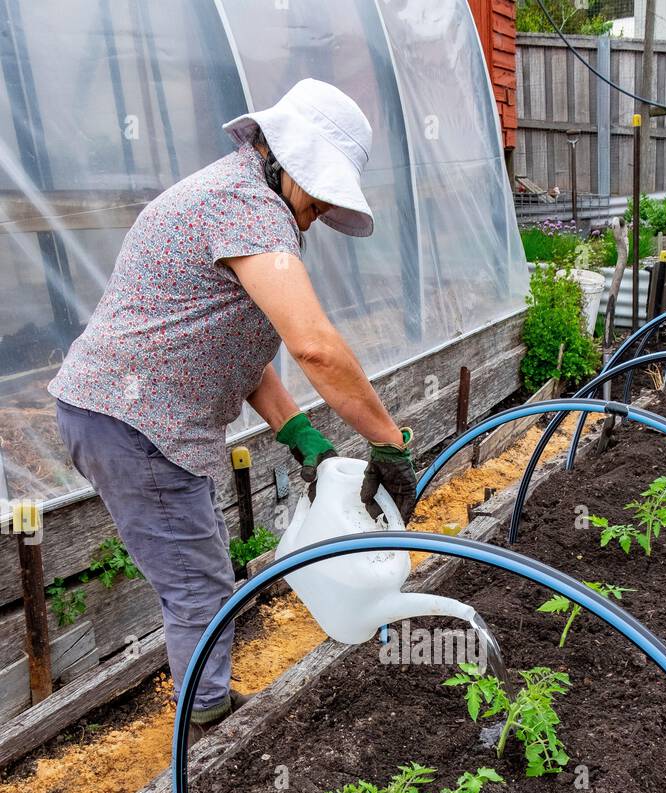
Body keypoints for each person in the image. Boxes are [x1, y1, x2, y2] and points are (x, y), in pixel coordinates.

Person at [49, 79, 416, 741]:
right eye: (320, 199)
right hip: (133, 417)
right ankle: (208, 733)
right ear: (293, 161)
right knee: (198, 588)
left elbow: (232, 347)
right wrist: (388, 444)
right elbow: (315, 348)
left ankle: (207, 704)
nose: (315, 218)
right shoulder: (248, 205)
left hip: (135, 413)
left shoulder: (242, 197)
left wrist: (304, 437)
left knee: (203, 570)